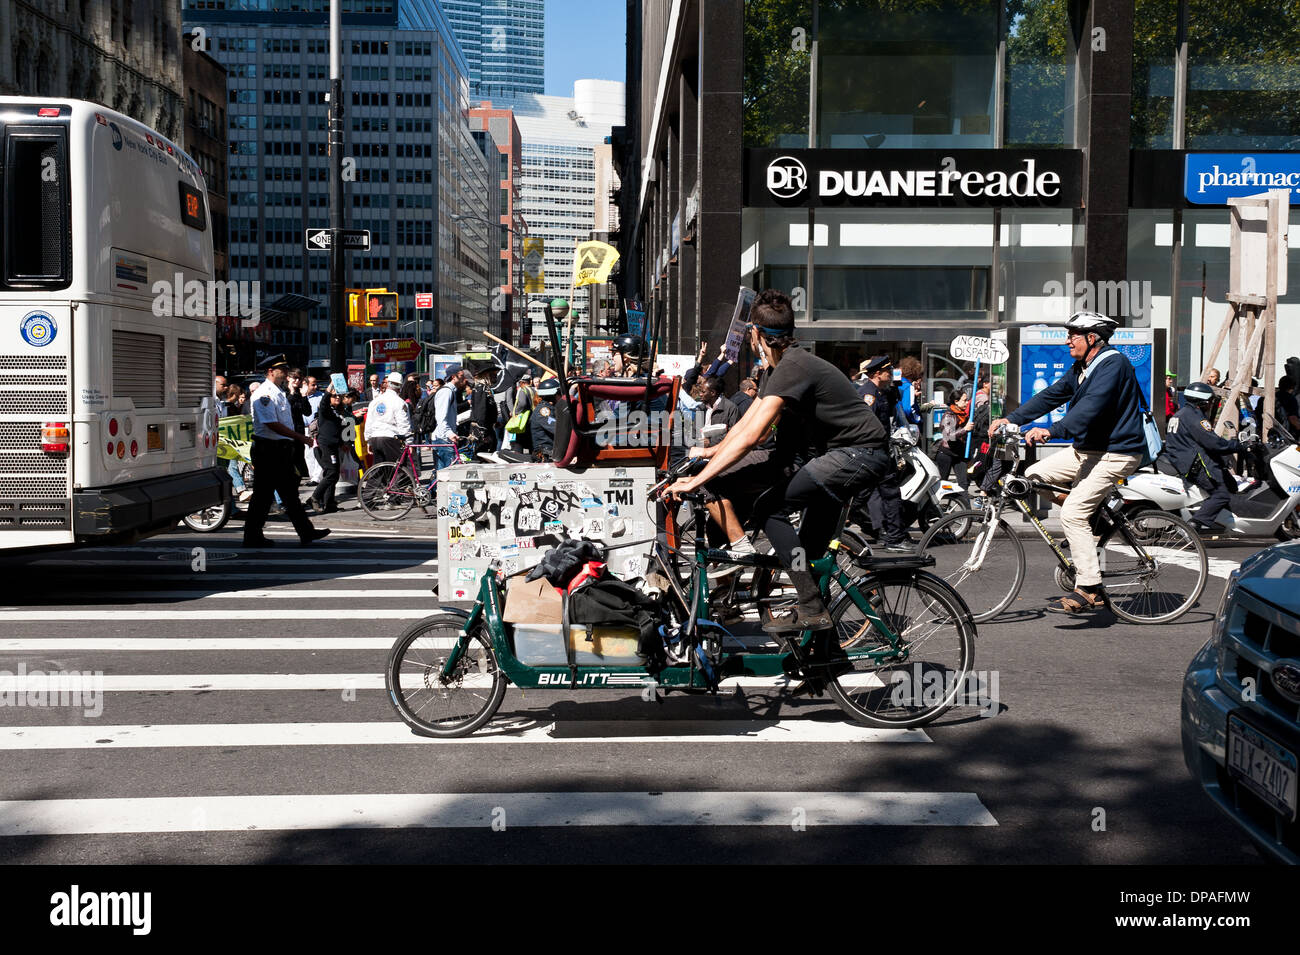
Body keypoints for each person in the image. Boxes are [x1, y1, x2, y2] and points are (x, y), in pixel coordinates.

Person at [667, 289, 893, 643]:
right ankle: (823, 653)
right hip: (841, 457)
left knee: (770, 507)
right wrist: (709, 453)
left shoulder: (793, 367)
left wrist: (698, 481)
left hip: (858, 454)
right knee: (807, 558)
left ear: (756, 334)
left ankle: (811, 605)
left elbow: (752, 437)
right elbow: (745, 426)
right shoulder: (777, 371)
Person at [990, 310, 1146, 614]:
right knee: (1034, 476)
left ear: (1092, 338)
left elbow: (1091, 408)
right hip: (1088, 450)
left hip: (1117, 452)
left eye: (1073, 335)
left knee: (1073, 514)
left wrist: (1052, 430)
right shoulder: (1081, 367)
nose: (1067, 341)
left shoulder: (1114, 364)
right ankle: (1093, 516)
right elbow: (1052, 395)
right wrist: (1012, 418)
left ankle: (1089, 588)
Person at [242, 355, 330, 548]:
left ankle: (305, 532)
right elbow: (272, 424)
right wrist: (301, 438)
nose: (284, 373)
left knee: (288, 494)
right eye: (281, 369)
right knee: (264, 496)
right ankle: (252, 536)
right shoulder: (264, 394)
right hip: (268, 450)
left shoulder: (278, 392)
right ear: (270, 372)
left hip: (278, 449)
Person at [1165, 381, 1253, 533]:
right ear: (1203, 402)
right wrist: (1236, 445)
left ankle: (1220, 522)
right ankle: (1194, 524)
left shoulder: (1181, 414)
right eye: (1210, 401)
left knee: (1231, 484)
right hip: (1196, 463)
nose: (1211, 404)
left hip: (1183, 460)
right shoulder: (1195, 417)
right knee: (1222, 494)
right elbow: (1213, 443)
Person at [858, 355, 911, 551]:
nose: (891, 373)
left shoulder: (881, 392)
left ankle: (889, 534)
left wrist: (895, 387)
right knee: (883, 494)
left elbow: (893, 405)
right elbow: (868, 424)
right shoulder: (868, 394)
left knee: (882, 494)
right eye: (888, 371)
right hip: (873, 451)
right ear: (877, 374)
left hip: (878, 451)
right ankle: (893, 538)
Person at [308, 385, 345, 514]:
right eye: (334, 396)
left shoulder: (336, 411)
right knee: (331, 473)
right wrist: (329, 388)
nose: (337, 397)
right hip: (326, 445)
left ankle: (329, 503)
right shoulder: (325, 409)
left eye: (339, 396)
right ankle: (314, 497)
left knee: (333, 474)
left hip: (334, 445)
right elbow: (324, 401)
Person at [364, 372, 411, 466]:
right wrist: (409, 442)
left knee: (379, 469)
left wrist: (368, 440)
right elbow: (403, 423)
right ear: (400, 387)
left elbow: (369, 422)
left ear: (388, 383)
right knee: (397, 469)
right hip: (390, 437)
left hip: (375, 437)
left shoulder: (375, 401)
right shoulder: (399, 402)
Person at [934, 388, 974, 489]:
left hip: (959, 453)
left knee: (964, 483)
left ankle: (964, 499)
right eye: (964, 400)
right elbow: (948, 436)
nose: (967, 403)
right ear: (956, 401)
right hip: (947, 453)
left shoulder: (964, 415)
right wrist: (965, 429)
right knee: (942, 483)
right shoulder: (949, 415)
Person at [432, 365, 468, 470]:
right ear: (453, 377)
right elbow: (441, 417)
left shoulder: (451, 391)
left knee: (443, 474)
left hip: (445, 438)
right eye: (461, 375)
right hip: (443, 439)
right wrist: (450, 433)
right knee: (448, 473)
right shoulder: (446, 391)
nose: (464, 378)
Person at [531, 376, 560, 460]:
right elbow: (557, 429)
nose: (561, 396)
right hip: (546, 454)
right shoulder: (543, 411)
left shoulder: (551, 408)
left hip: (553, 451)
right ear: (551, 396)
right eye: (559, 393)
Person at [1273, 376, 1300, 440]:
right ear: (1292, 387)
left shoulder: (1271, 397)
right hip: (1286, 434)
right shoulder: (1291, 399)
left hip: (1270, 431)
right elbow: (1292, 418)